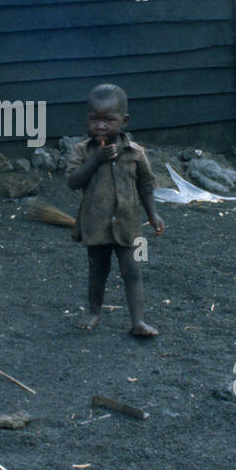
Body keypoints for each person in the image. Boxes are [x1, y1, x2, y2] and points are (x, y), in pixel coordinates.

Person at [64, 83, 165, 337]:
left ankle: (138, 322)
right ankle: (94, 312)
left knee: (132, 270)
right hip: (95, 223)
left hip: (128, 224)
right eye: (94, 119)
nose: (100, 126)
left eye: (108, 119)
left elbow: (146, 184)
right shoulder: (81, 151)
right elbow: (72, 181)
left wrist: (153, 214)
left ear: (124, 121)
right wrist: (96, 160)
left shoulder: (135, 153)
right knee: (98, 270)